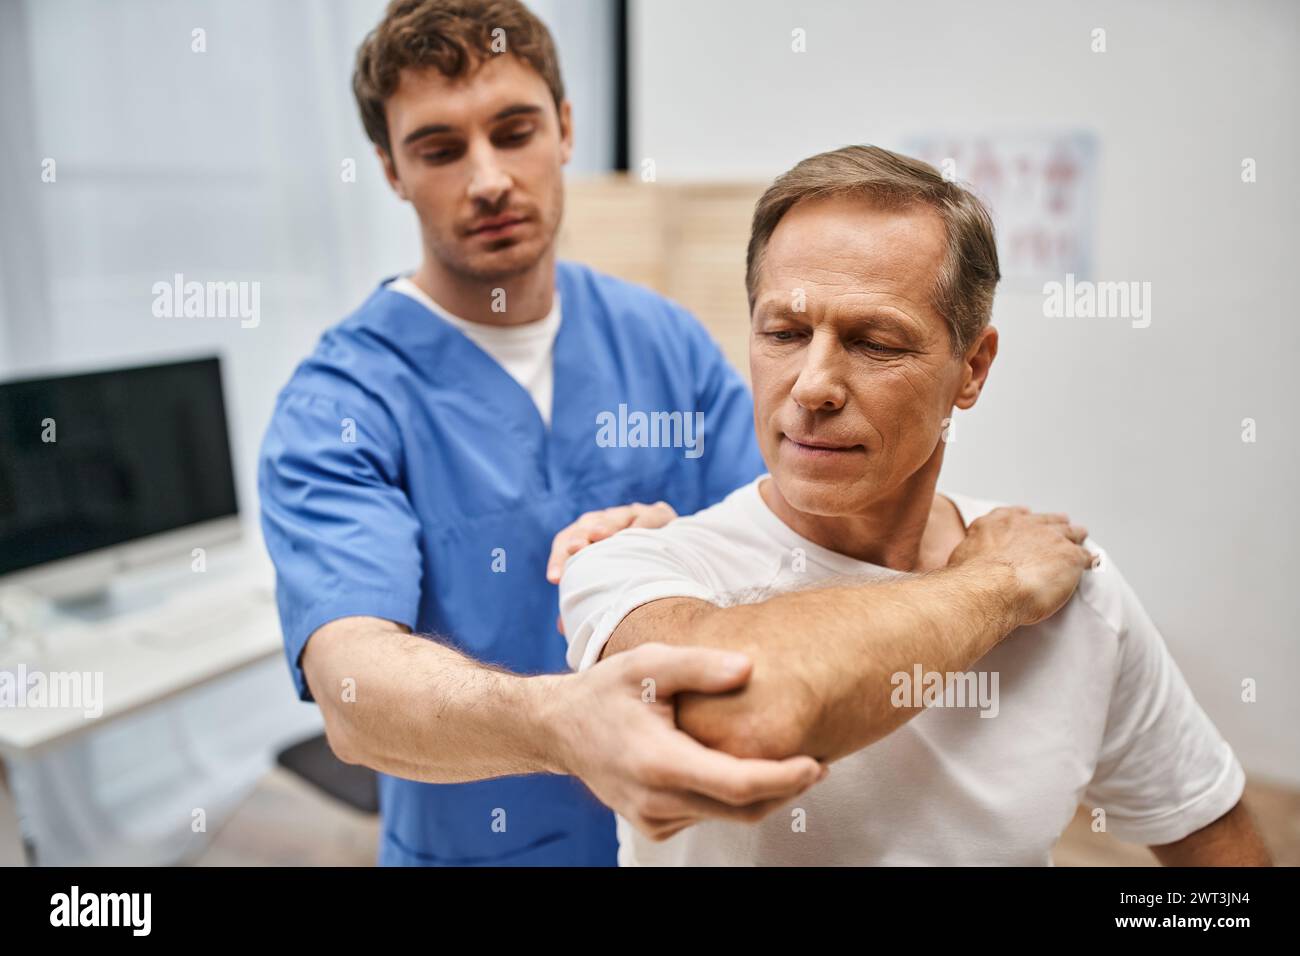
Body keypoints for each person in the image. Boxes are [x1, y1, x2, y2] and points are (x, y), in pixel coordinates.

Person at [259, 0, 1095, 866]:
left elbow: (798, 548)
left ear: (567, 127)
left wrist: (680, 540)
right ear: (392, 170)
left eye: (515, 131)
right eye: (438, 148)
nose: (488, 179)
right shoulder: (341, 403)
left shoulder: (660, 341)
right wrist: (563, 724)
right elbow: (351, 688)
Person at [559, 145, 1272, 866]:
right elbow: (746, 718)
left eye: (874, 343)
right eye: (784, 333)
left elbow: (1215, 846)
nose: (813, 387)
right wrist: (992, 588)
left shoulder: (1075, 593)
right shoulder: (636, 565)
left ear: (973, 368)